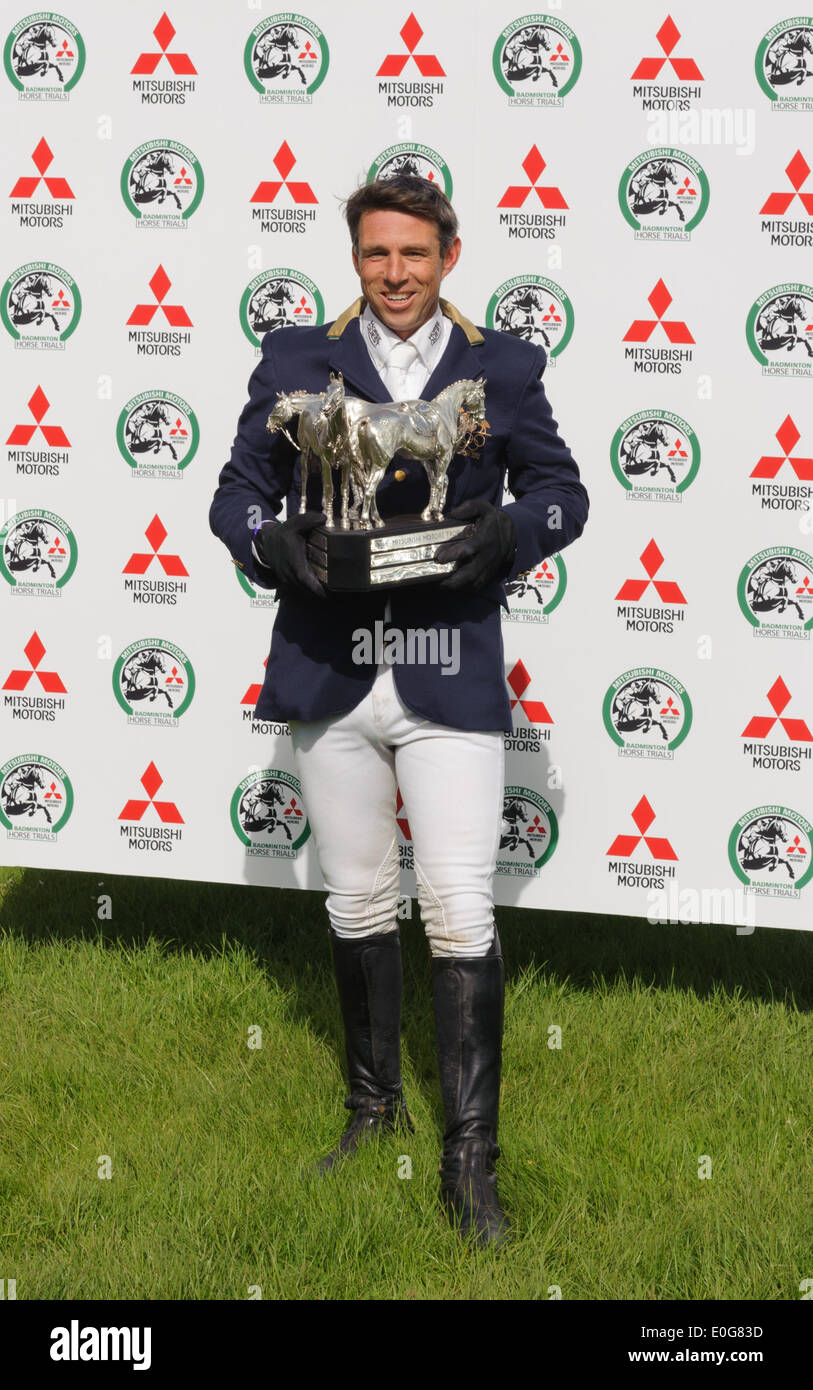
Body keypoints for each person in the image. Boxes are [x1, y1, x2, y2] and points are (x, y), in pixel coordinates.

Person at [209, 175, 588, 1247]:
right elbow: (233, 494)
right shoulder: (294, 362)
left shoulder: (502, 368)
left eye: (415, 254)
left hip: (447, 668)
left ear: (449, 254)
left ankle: (471, 1167)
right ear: (357, 257)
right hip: (329, 667)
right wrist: (267, 542)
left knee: (460, 906)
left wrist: (513, 535)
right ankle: (373, 1111)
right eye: (377, 255)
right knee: (357, 903)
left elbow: (565, 492)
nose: (396, 274)